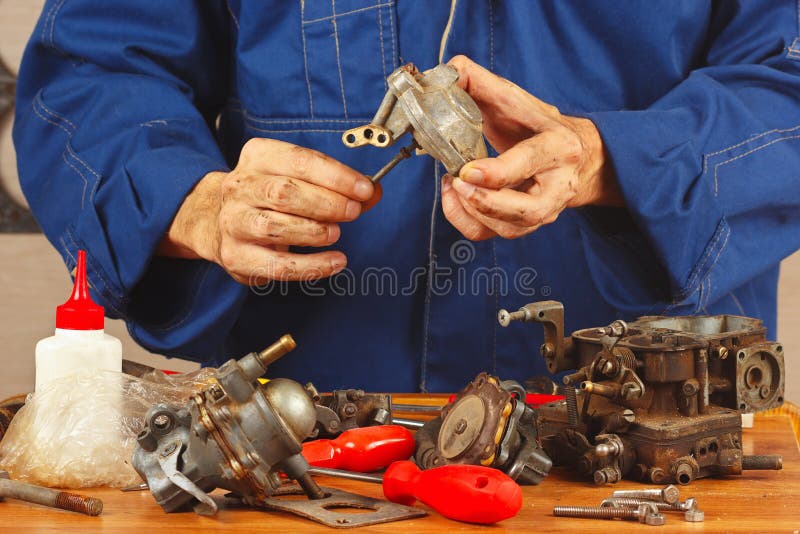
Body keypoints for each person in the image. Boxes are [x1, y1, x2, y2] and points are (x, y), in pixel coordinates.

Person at [14, 1, 800, 392]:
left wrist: (614, 162)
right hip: (293, 445)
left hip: (651, 422)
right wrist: (189, 203)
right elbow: (94, 71)